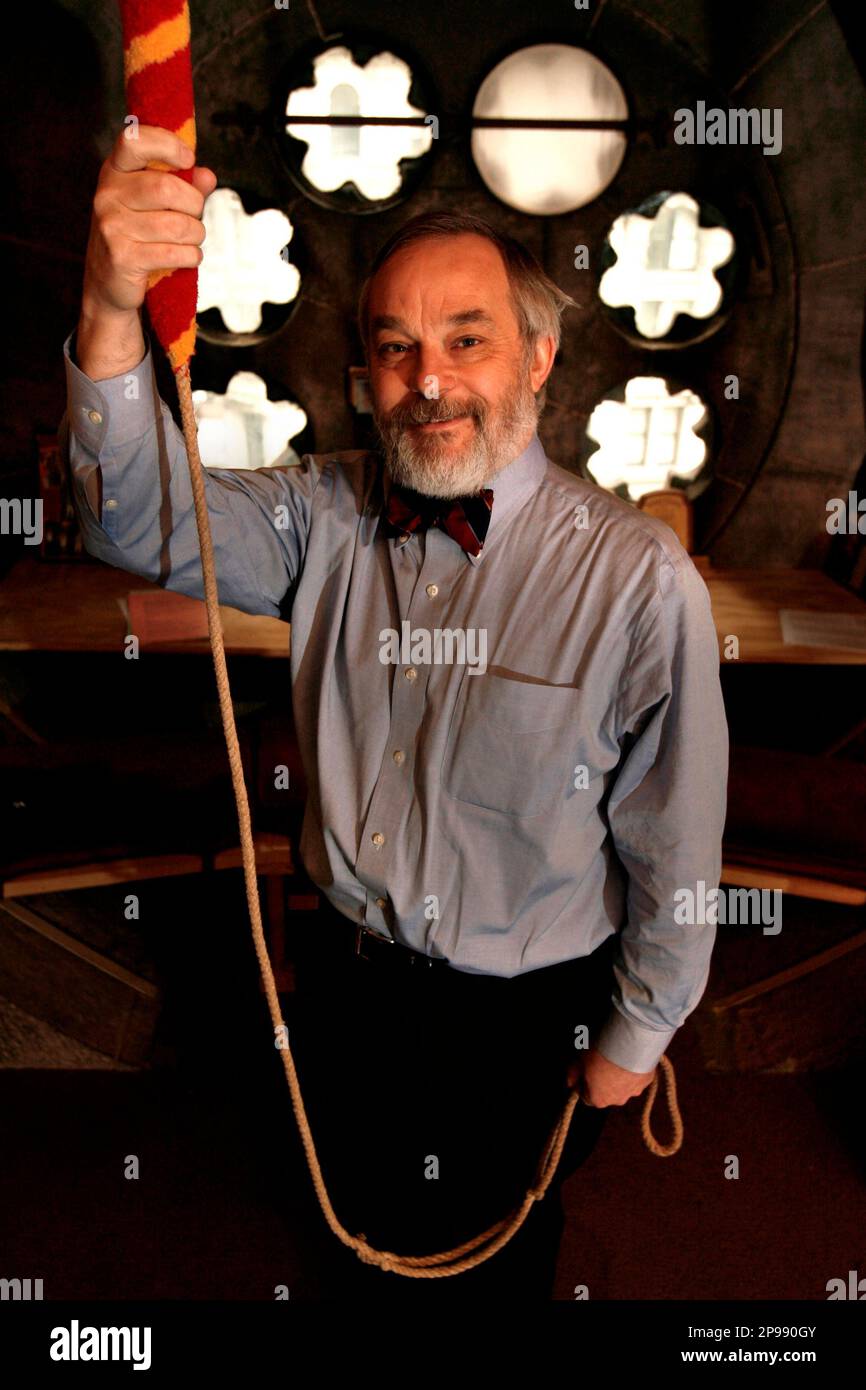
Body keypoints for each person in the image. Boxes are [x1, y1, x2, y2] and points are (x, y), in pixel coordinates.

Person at [59, 125, 729, 1300]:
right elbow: (129, 519)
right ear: (364, 375)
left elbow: (676, 848)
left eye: (465, 340)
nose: (429, 379)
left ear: (537, 355)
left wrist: (635, 1036)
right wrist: (113, 302)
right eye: (395, 347)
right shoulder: (318, 512)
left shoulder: (636, 580)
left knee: (497, 1268)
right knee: (343, 1242)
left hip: (523, 1020)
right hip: (350, 978)